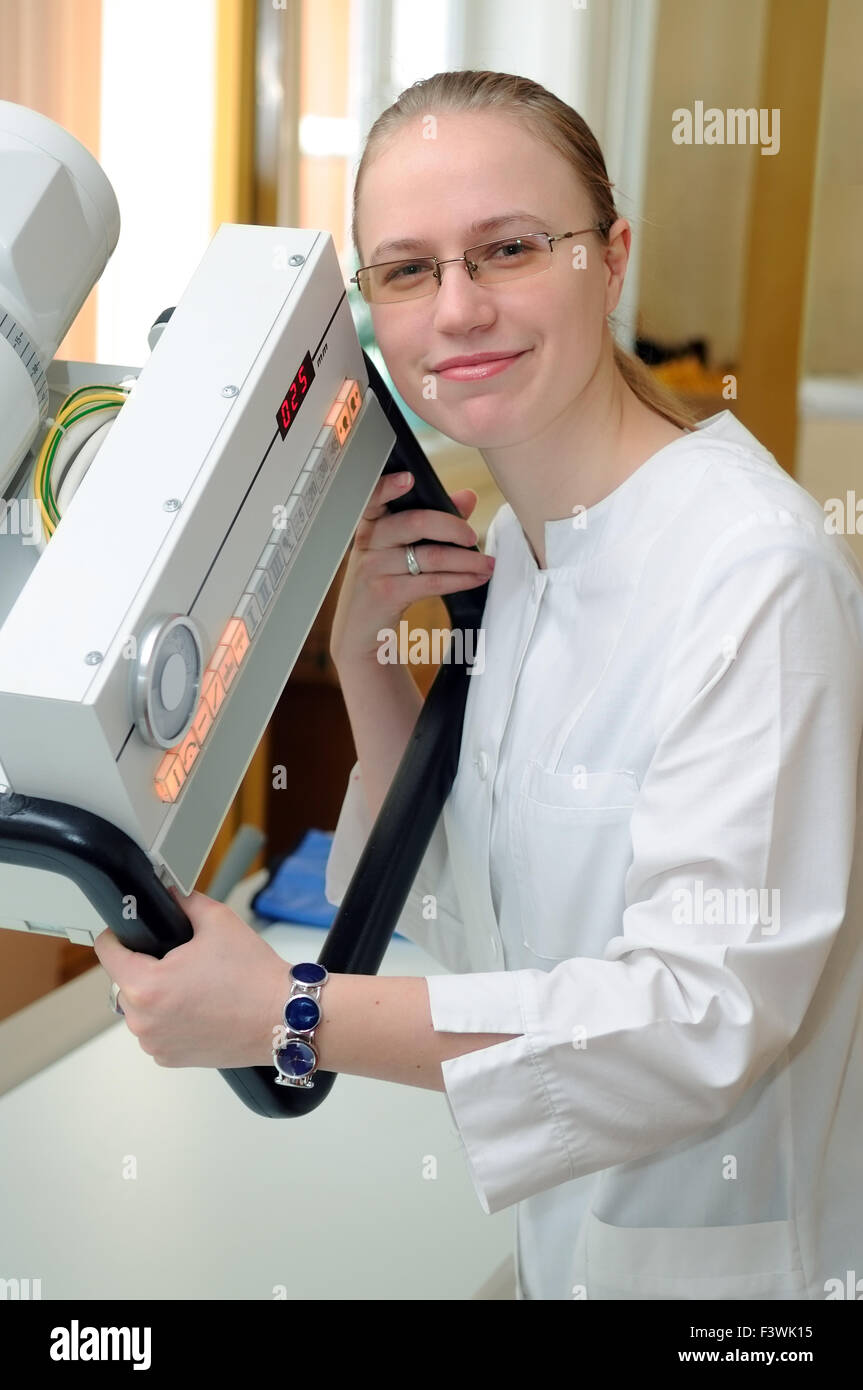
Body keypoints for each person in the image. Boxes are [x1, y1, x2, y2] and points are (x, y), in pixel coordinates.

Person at [95, 69, 863, 1302]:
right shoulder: (512, 544)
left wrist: (290, 1015)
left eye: (506, 248)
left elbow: (694, 1018)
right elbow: (459, 904)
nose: (456, 310)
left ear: (608, 259)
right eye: (404, 270)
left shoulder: (751, 576)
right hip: (570, 1245)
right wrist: (366, 663)